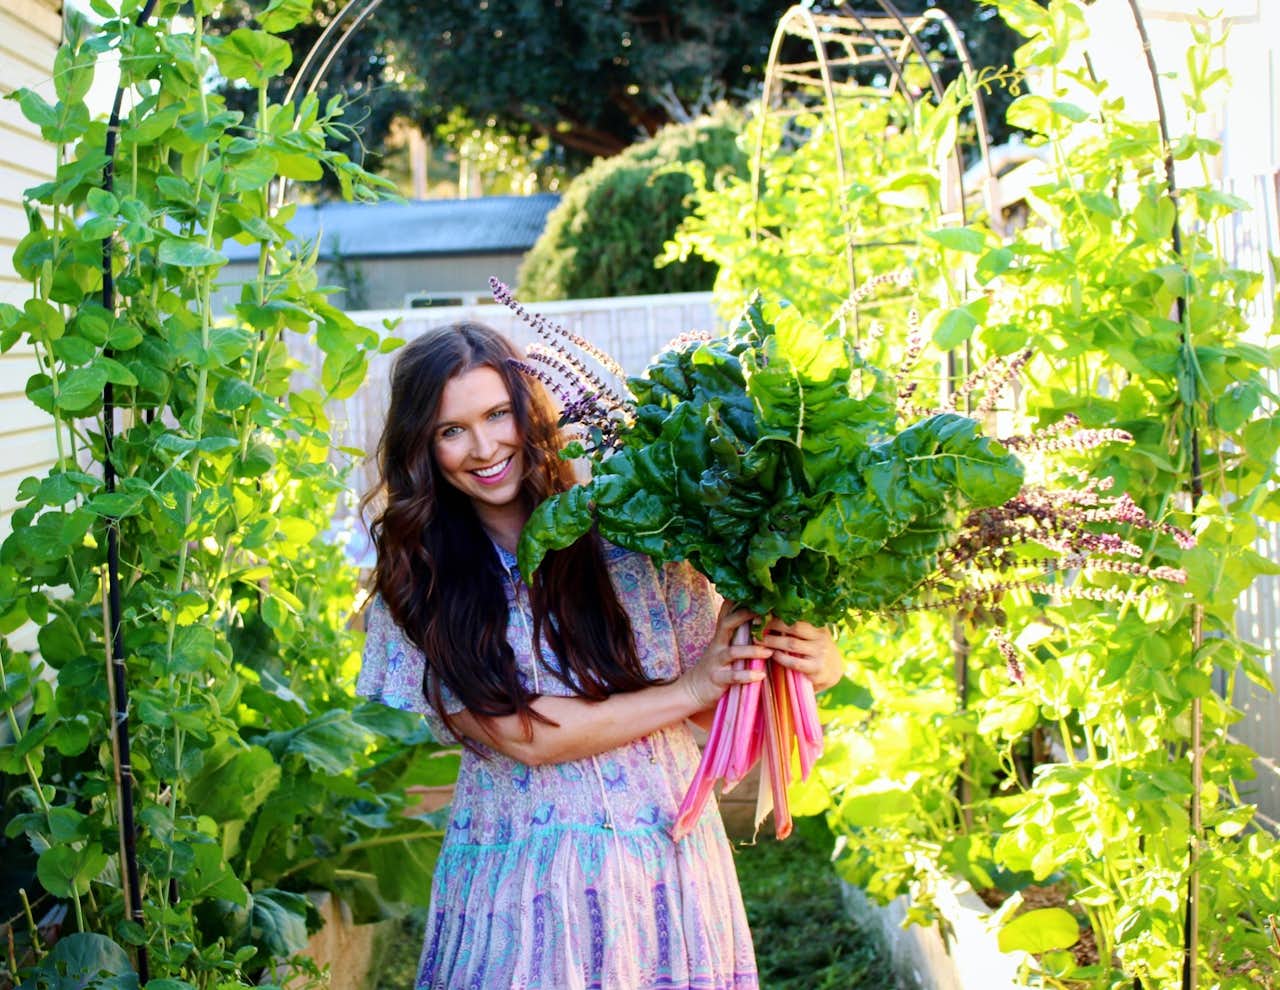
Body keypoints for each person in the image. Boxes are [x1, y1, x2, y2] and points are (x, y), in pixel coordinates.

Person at [356, 321, 843, 989]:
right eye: (451, 430)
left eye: (498, 413)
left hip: (668, 872)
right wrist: (691, 690)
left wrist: (805, 662)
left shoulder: (635, 534)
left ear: (531, 414)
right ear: (423, 446)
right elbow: (520, 736)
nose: (485, 446)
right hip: (521, 891)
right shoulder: (419, 582)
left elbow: (720, 715)